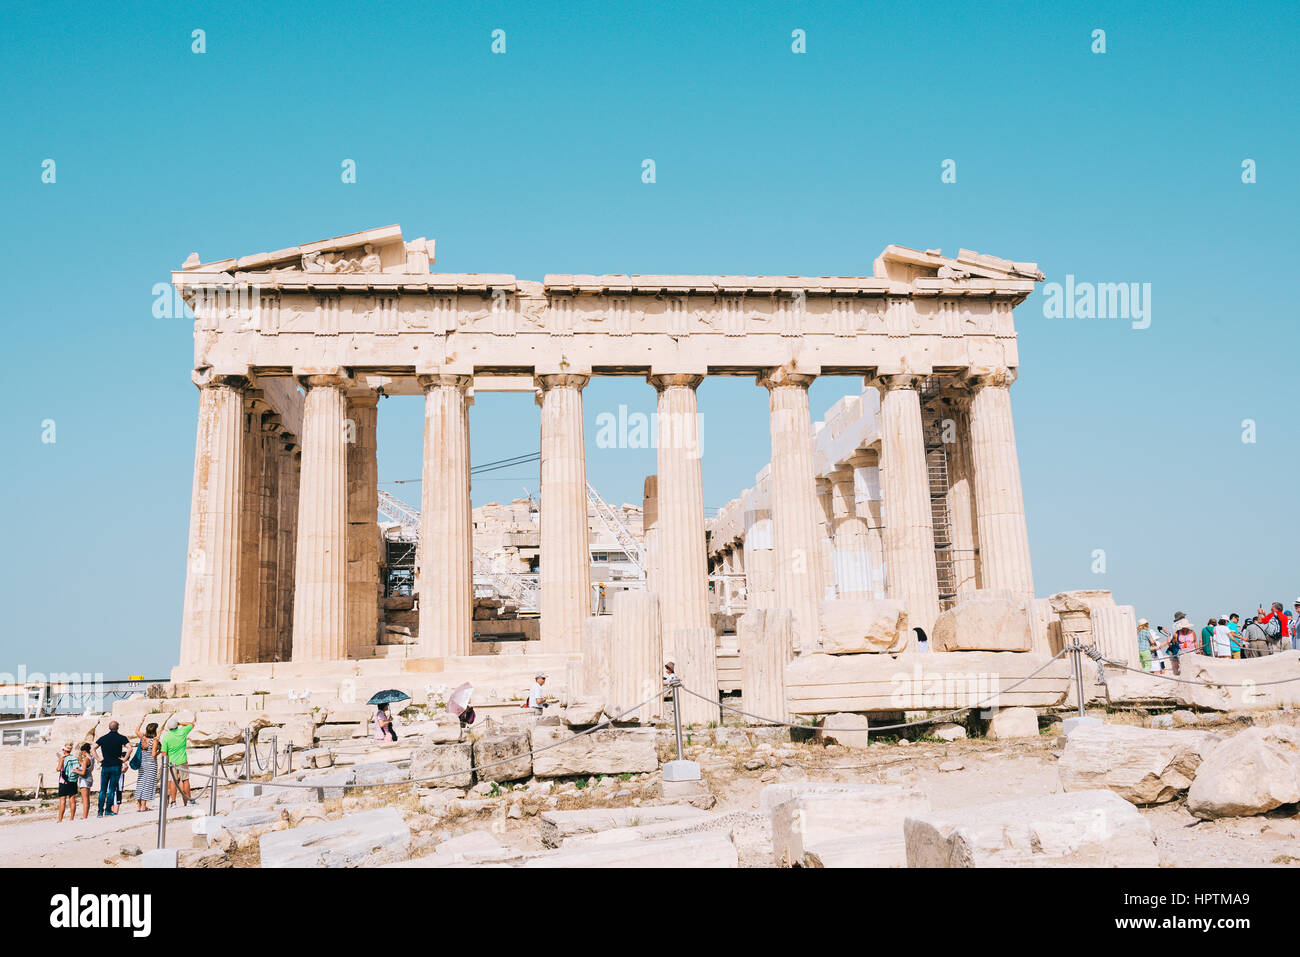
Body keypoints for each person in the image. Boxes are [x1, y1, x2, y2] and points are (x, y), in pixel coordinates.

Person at [93, 721, 131, 818]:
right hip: (116, 765)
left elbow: (92, 749)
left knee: (102, 790)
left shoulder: (103, 738)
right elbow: (130, 748)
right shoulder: (121, 738)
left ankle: (100, 812)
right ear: (118, 727)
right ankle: (108, 810)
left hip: (105, 765)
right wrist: (125, 759)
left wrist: (98, 759)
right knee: (111, 789)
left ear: (109, 728)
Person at [161, 714, 196, 807]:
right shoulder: (182, 731)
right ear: (176, 725)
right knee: (185, 780)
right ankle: (189, 801)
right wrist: (180, 723)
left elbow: (164, 752)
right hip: (182, 760)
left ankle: (173, 802)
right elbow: (192, 724)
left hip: (171, 761)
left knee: (172, 781)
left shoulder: (166, 737)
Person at [133, 718, 159, 812]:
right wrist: (159, 751)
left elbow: (136, 730)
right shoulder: (154, 741)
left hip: (142, 764)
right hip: (151, 765)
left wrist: (141, 720)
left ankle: (139, 806)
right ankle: (144, 806)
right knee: (148, 784)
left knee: (140, 783)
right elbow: (153, 754)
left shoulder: (142, 738)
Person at [55, 743, 78, 823]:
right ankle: (72, 819)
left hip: (63, 781)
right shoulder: (74, 758)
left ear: (64, 750)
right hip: (73, 780)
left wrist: (58, 767)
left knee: (63, 800)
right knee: (72, 799)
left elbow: (58, 769)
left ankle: (60, 819)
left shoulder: (63, 759)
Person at [73, 743, 94, 820]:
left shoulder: (86, 759)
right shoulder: (92, 758)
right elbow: (86, 767)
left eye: (82, 752)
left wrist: (75, 771)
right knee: (87, 799)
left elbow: (83, 772)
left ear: (84, 751)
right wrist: (80, 765)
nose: (82, 753)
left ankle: (84, 816)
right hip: (89, 778)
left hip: (84, 780)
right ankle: (85, 815)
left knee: (85, 799)